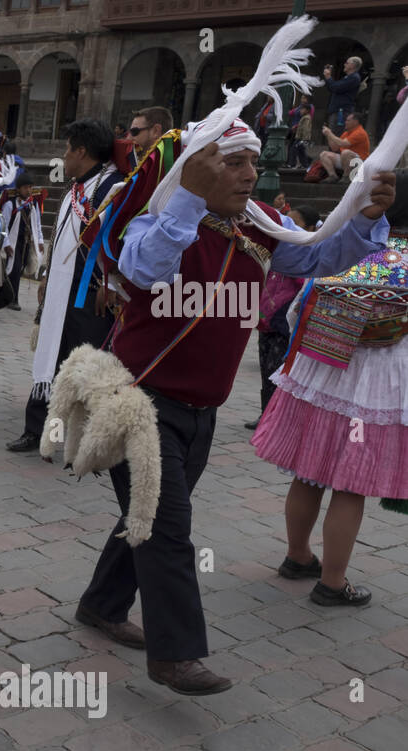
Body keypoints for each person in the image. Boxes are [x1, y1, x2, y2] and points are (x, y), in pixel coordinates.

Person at [73, 118, 393, 693]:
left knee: (147, 517)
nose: (251, 174)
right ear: (197, 167)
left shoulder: (262, 229)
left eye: (252, 162)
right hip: (134, 399)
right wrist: (188, 200)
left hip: (200, 410)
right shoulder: (162, 218)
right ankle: (176, 654)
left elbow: (320, 260)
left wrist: (366, 217)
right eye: (235, 162)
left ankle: (101, 603)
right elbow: (143, 268)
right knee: (169, 527)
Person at [251, 175, 406, 607]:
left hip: (319, 374)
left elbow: (302, 303)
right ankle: (333, 582)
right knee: (350, 483)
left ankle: (297, 556)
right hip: (372, 391)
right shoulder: (403, 261)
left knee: (308, 470)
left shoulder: (352, 248)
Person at [8, 119, 124, 453]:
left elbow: (118, 241)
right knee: (52, 362)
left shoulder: (110, 187)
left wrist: (112, 281)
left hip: (90, 296)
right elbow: (63, 239)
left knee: (84, 370)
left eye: (67, 148)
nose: (64, 155)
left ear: (82, 151)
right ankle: (40, 431)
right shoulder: (76, 186)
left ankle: (88, 438)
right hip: (62, 291)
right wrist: (47, 276)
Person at [246, 204, 318, 430]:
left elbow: (305, 286)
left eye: (296, 223)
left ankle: (276, 419)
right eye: (288, 220)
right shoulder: (276, 248)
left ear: (308, 228)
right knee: (266, 369)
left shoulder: (301, 254)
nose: (290, 225)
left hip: (283, 322)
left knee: (278, 371)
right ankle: (265, 414)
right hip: (266, 318)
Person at [0, 174, 45, 315]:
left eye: (30, 187)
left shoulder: (33, 204)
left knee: (20, 268)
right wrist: (6, 243)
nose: (29, 190)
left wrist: (40, 241)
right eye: (25, 187)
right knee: (14, 267)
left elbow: (37, 224)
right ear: (19, 189)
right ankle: (13, 299)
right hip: (13, 242)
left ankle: (4, 295)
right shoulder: (10, 204)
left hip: (26, 243)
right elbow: (3, 225)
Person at [318, 111, 371, 183]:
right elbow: (334, 148)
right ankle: (333, 176)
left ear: (356, 122)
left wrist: (330, 133)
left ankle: (346, 177)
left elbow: (343, 143)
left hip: (360, 163)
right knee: (324, 154)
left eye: (348, 120)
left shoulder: (360, 132)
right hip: (348, 161)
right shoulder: (347, 132)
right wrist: (328, 135)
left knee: (345, 153)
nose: (345, 122)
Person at [322, 56, 363, 131]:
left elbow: (336, 88)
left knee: (336, 135)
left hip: (341, 112)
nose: (344, 64)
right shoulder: (348, 77)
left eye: (347, 63)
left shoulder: (354, 78)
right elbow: (333, 88)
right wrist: (328, 78)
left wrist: (328, 77)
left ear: (353, 65)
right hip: (338, 111)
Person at [287, 93, 314, 168]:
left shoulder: (307, 116)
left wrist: (305, 139)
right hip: (298, 134)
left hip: (301, 137)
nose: (302, 99)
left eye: (304, 98)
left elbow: (306, 129)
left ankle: (292, 164)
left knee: (294, 149)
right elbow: (292, 112)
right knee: (299, 150)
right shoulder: (301, 108)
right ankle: (305, 164)